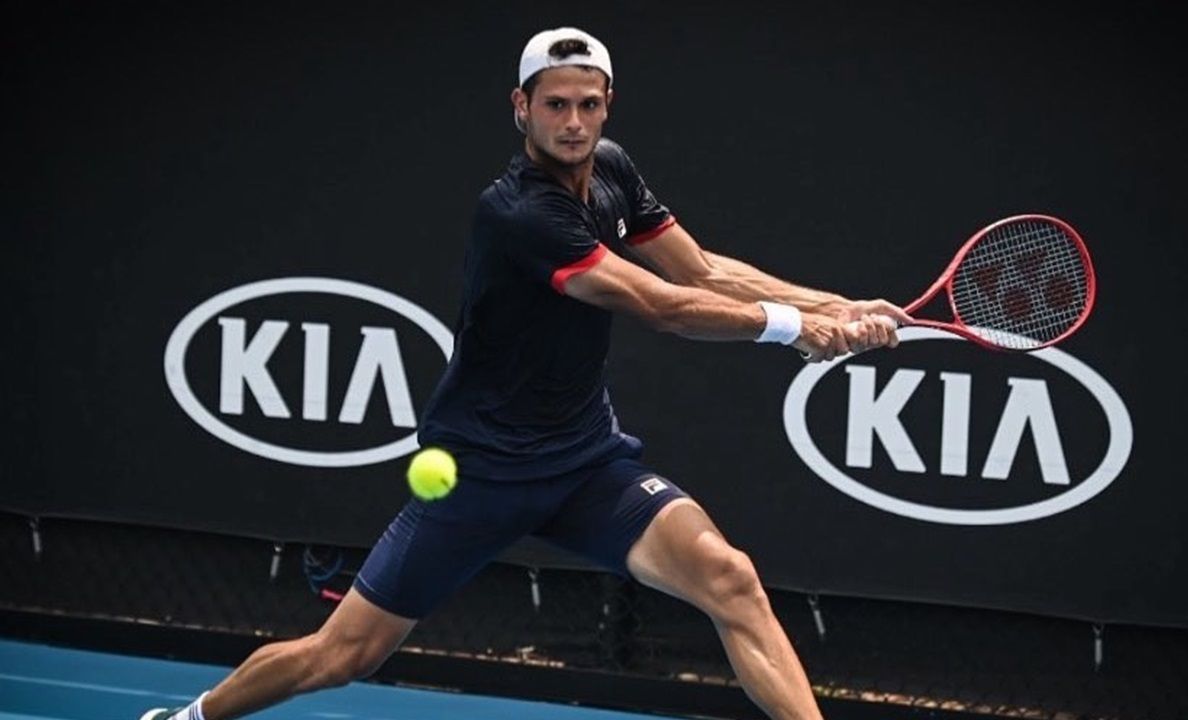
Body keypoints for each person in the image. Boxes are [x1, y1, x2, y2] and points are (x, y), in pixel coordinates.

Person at [141, 26, 910, 720]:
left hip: (583, 467)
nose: (572, 123)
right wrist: (798, 329)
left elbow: (702, 268)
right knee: (341, 657)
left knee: (730, 578)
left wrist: (839, 305)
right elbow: (659, 302)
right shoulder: (518, 214)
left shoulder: (611, 169)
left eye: (586, 104)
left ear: (608, 106)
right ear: (521, 106)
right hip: (483, 474)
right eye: (554, 105)